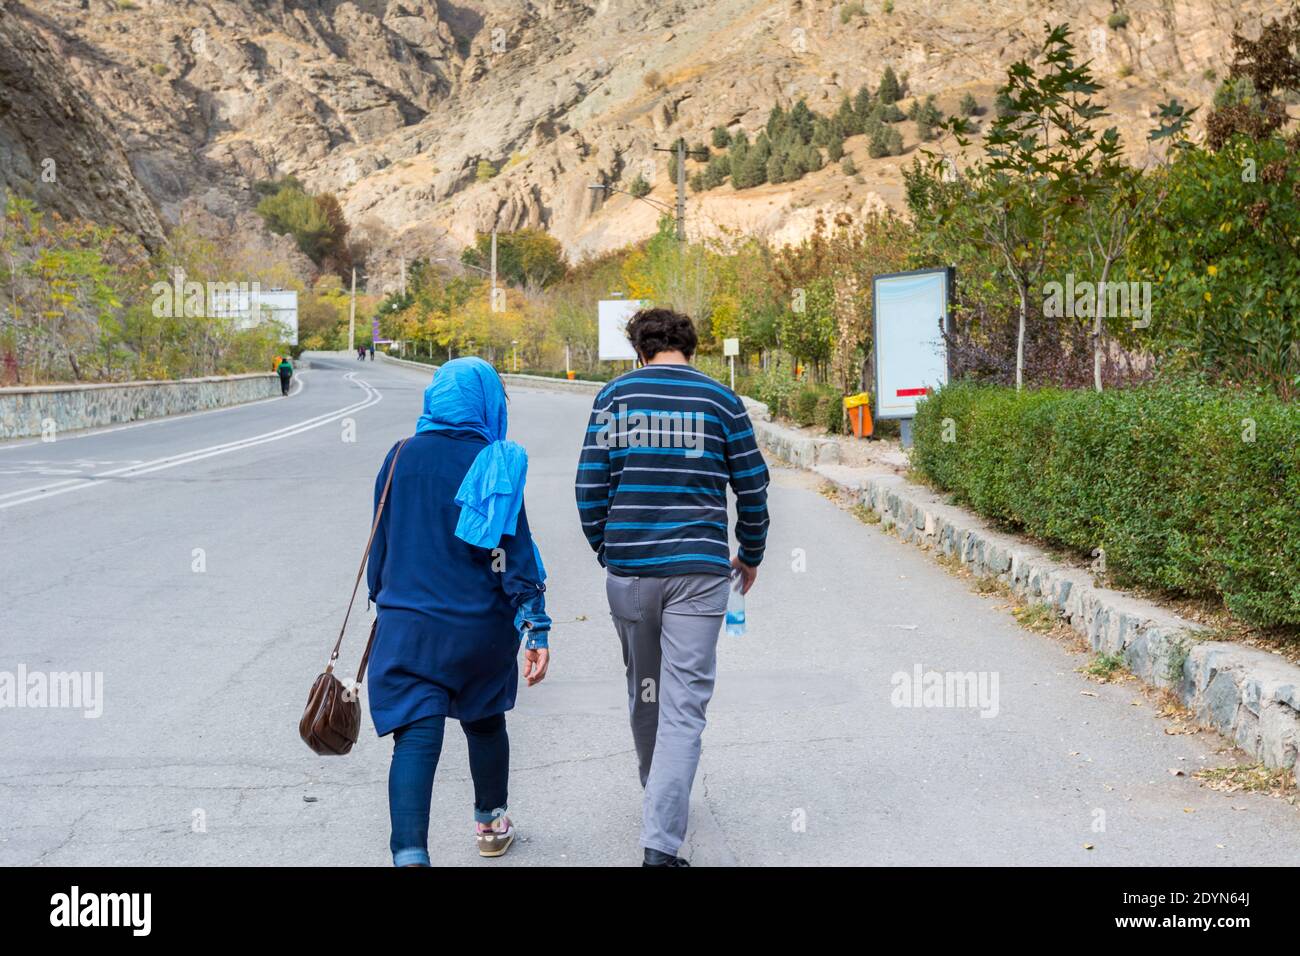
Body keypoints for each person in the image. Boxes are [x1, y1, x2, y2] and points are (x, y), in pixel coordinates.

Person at [574, 308, 770, 867]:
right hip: (699, 576)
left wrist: (609, 552)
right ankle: (661, 839)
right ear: (692, 348)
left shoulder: (614, 398)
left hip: (631, 572)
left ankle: (659, 794)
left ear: (640, 350)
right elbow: (753, 488)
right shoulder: (720, 400)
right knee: (685, 708)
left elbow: (590, 486)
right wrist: (749, 553)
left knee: (645, 691)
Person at [367, 357, 551, 867]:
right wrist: (536, 626)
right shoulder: (494, 459)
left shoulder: (399, 455)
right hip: (479, 630)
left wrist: (382, 600)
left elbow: (381, 540)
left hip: (408, 627)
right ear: (487, 402)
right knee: (486, 723)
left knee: (415, 736)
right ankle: (491, 826)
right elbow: (515, 554)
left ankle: (409, 855)